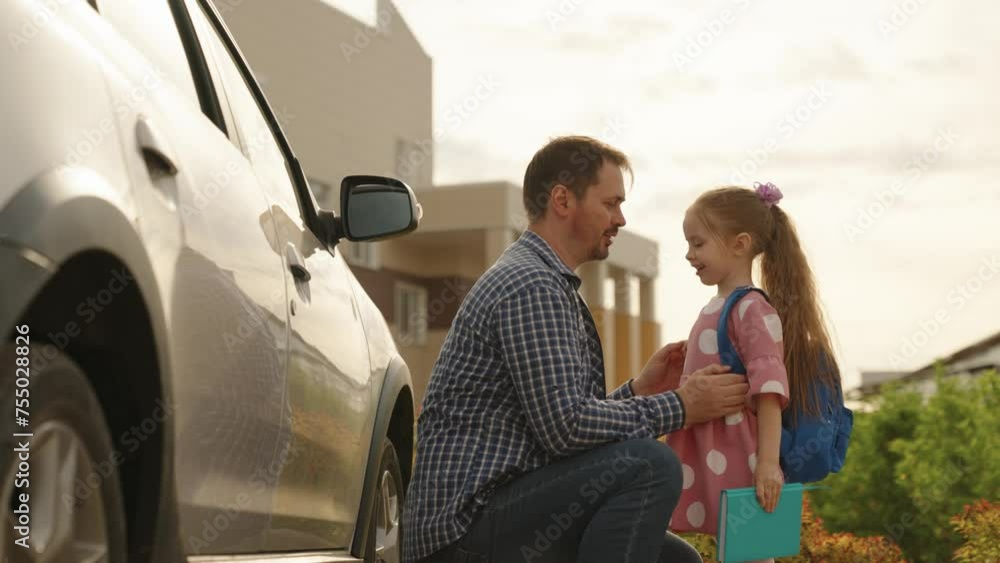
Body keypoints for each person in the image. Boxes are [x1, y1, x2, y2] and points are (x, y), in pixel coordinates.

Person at [402, 135, 751, 563]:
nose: (620, 219)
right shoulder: (531, 285)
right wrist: (679, 405)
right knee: (649, 464)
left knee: (679, 561)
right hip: (463, 529)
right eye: (611, 203)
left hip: (502, 512)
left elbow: (559, 424)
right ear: (562, 200)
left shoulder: (546, 283)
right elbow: (565, 430)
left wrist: (639, 391)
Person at [665, 183, 841, 562]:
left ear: (740, 244)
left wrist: (766, 463)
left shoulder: (751, 308)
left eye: (698, 244)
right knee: (739, 551)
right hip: (720, 449)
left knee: (752, 552)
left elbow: (769, 390)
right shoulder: (720, 305)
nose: (689, 255)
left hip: (741, 452)